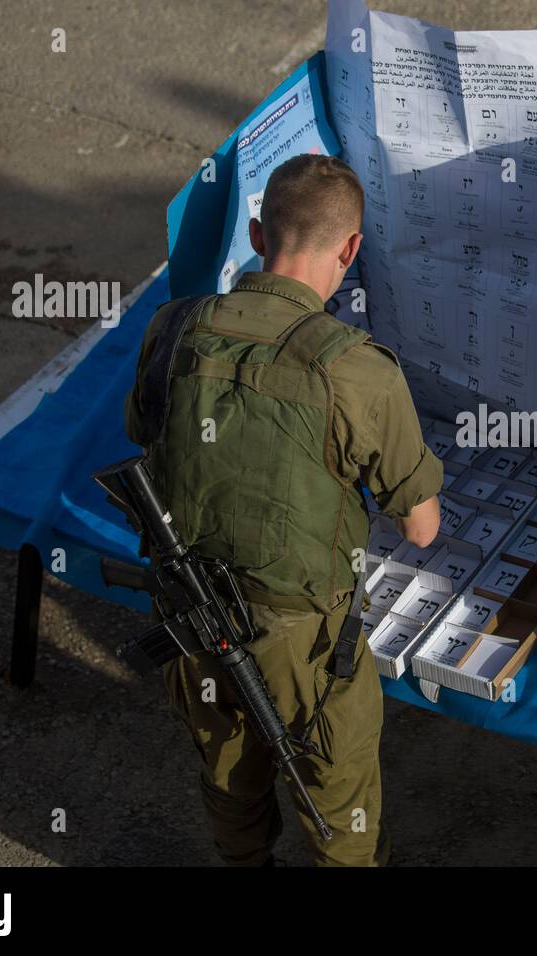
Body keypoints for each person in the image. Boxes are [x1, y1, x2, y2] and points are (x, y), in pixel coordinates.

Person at [124, 154, 442, 866]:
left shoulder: (174, 326)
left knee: (229, 775)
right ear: (352, 249)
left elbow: (142, 431)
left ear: (259, 234)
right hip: (305, 645)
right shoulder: (357, 369)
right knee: (340, 811)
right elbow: (421, 526)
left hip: (191, 612)